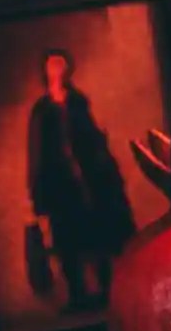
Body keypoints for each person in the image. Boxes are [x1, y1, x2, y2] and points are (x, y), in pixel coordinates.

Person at [27, 50, 136, 311]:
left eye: (61, 66)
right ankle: (77, 295)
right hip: (60, 185)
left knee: (98, 235)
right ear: (46, 70)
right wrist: (35, 193)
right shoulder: (41, 110)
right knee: (67, 240)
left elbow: (91, 138)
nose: (57, 71)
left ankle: (108, 291)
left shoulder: (78, 102)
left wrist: (99, 160)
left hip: (88, 181)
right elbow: (36, 152)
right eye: (52, 66)